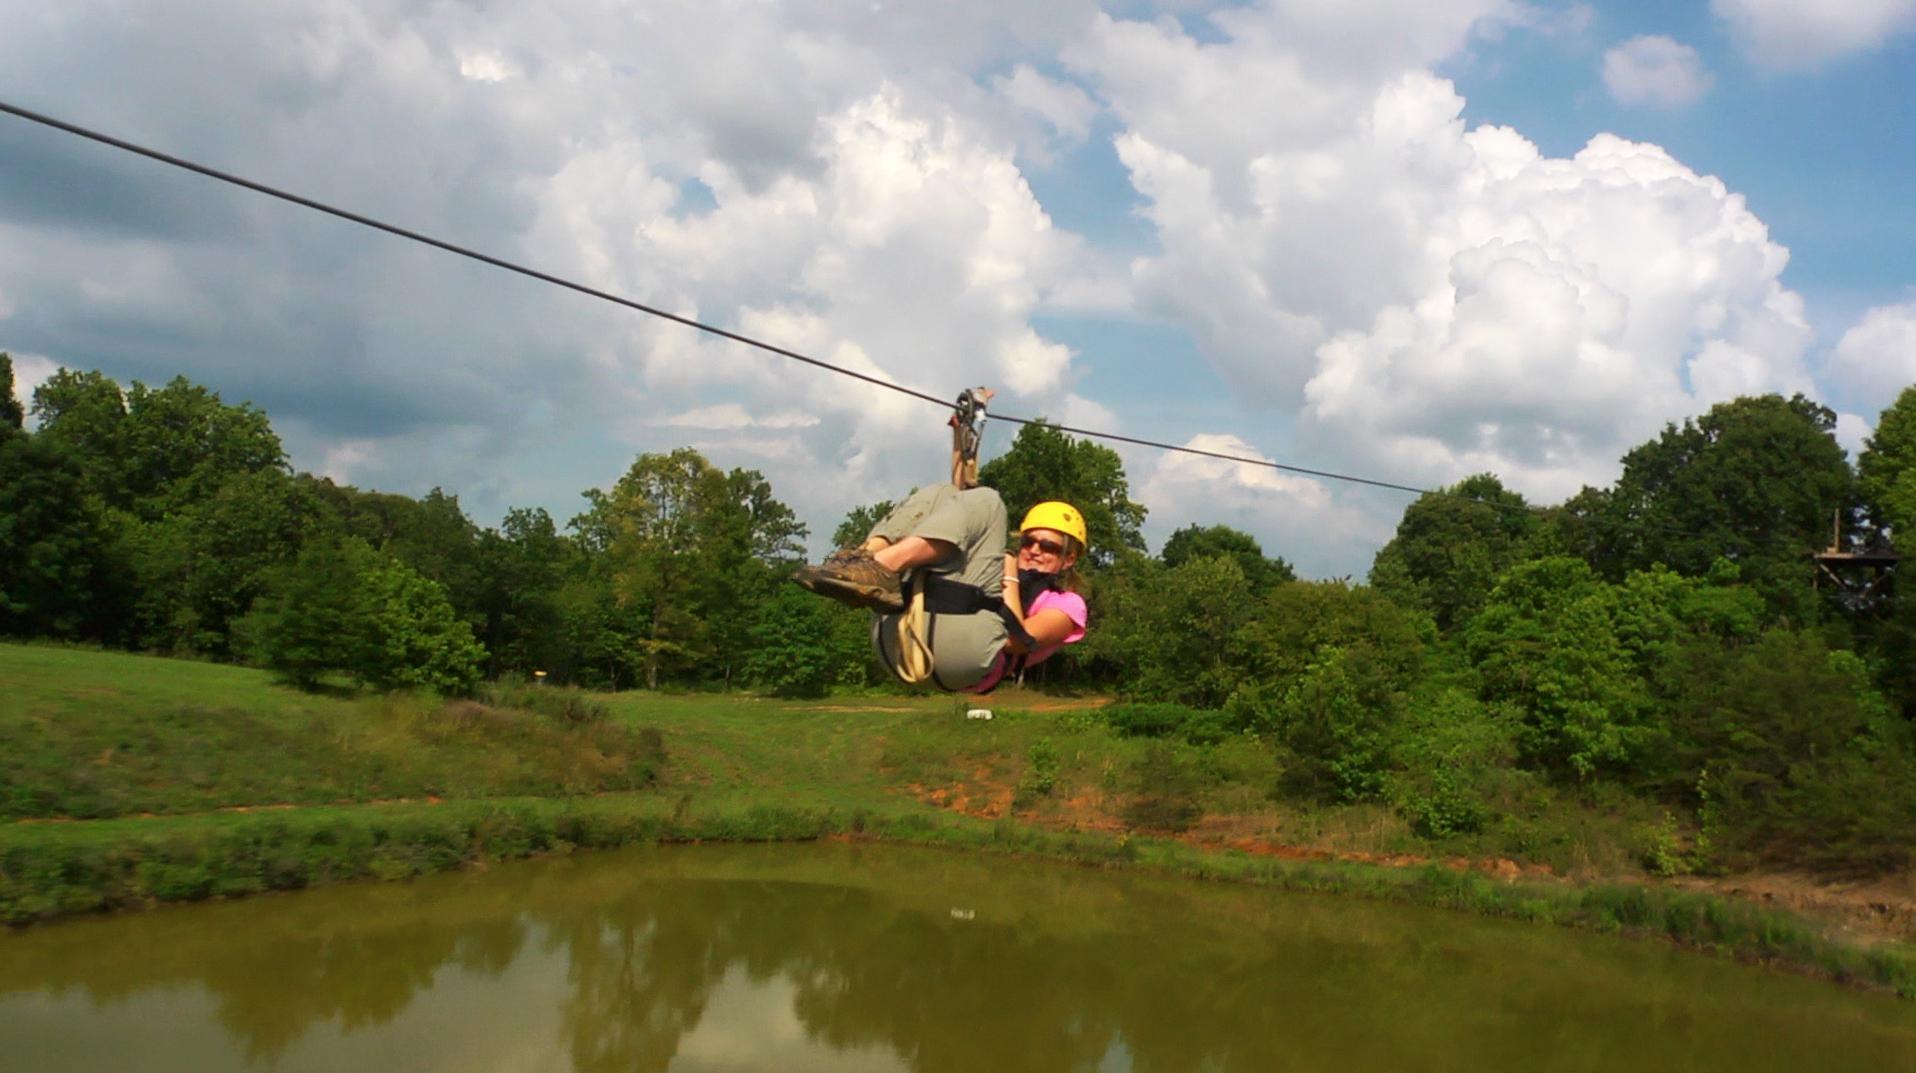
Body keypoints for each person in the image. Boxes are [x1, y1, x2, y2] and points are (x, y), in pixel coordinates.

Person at [793, 489, 1090, 693]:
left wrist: (1009, 573)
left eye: (1048, 546)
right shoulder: (1000, 567)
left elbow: (1016, 642)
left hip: (966, 658)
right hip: (899, 642)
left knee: (989, 501)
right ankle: (859, 562)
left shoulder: (1068, 604)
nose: (1034, 550)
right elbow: (960, 509)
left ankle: (880, 566)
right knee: (943, 495)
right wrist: (964, 436)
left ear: (1069, 558)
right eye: (1028, 542)